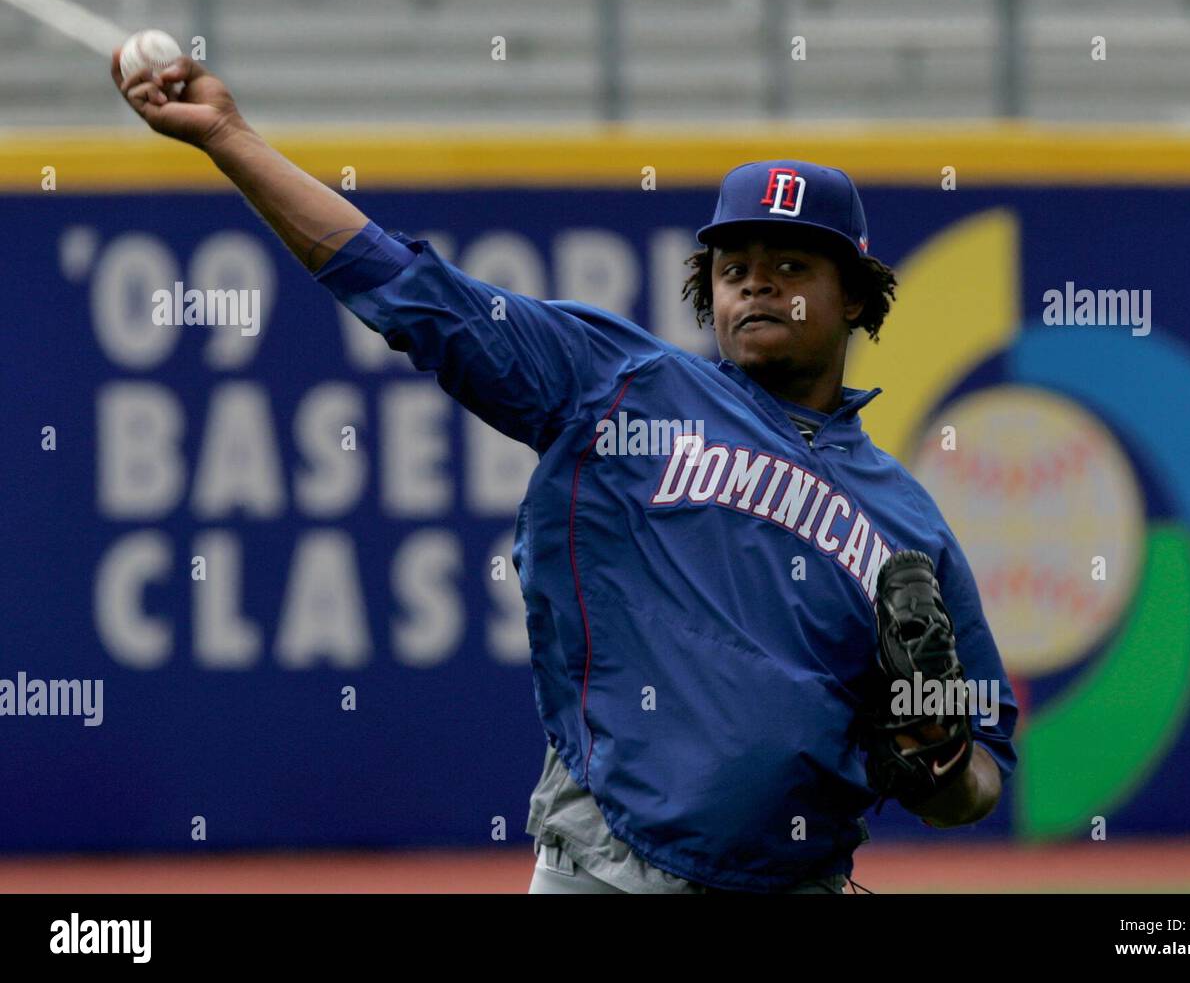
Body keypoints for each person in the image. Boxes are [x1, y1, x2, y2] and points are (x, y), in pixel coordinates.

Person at [113, 53, 1018, 895]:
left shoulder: (908, 523)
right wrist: (231, 140)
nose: (757, 286)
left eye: (791, 266)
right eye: (734, 267)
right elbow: (411, 292)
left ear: (854, 295)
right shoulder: (617, 381)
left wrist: (937, 754)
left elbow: (978, 775)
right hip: (605, 869)